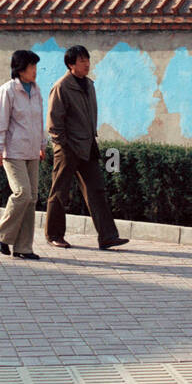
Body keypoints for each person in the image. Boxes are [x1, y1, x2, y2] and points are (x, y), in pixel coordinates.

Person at [44, 45, 129, 250]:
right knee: (60, 192)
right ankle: (54, 235)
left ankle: (107, 236)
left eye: (88, 60)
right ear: (71, 64)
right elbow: (54, 123)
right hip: (68, 148)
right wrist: (63, 144)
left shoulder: (89, 85)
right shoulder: (62, 87)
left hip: (88, 145)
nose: (87, 64)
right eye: (82, 61)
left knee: (96, 190)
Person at [0, 49, 46, 260]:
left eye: (36, 67)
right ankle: (1, 233)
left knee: (32, 199)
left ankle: (24, 247)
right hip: (12, 151)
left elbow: (39, 121)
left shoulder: (37, 90)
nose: (35, 71)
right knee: (22, 193)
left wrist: (42, 145)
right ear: (20, 68)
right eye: (32, 66)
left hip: (32, 151)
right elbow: (0, 122)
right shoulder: (7, 91)